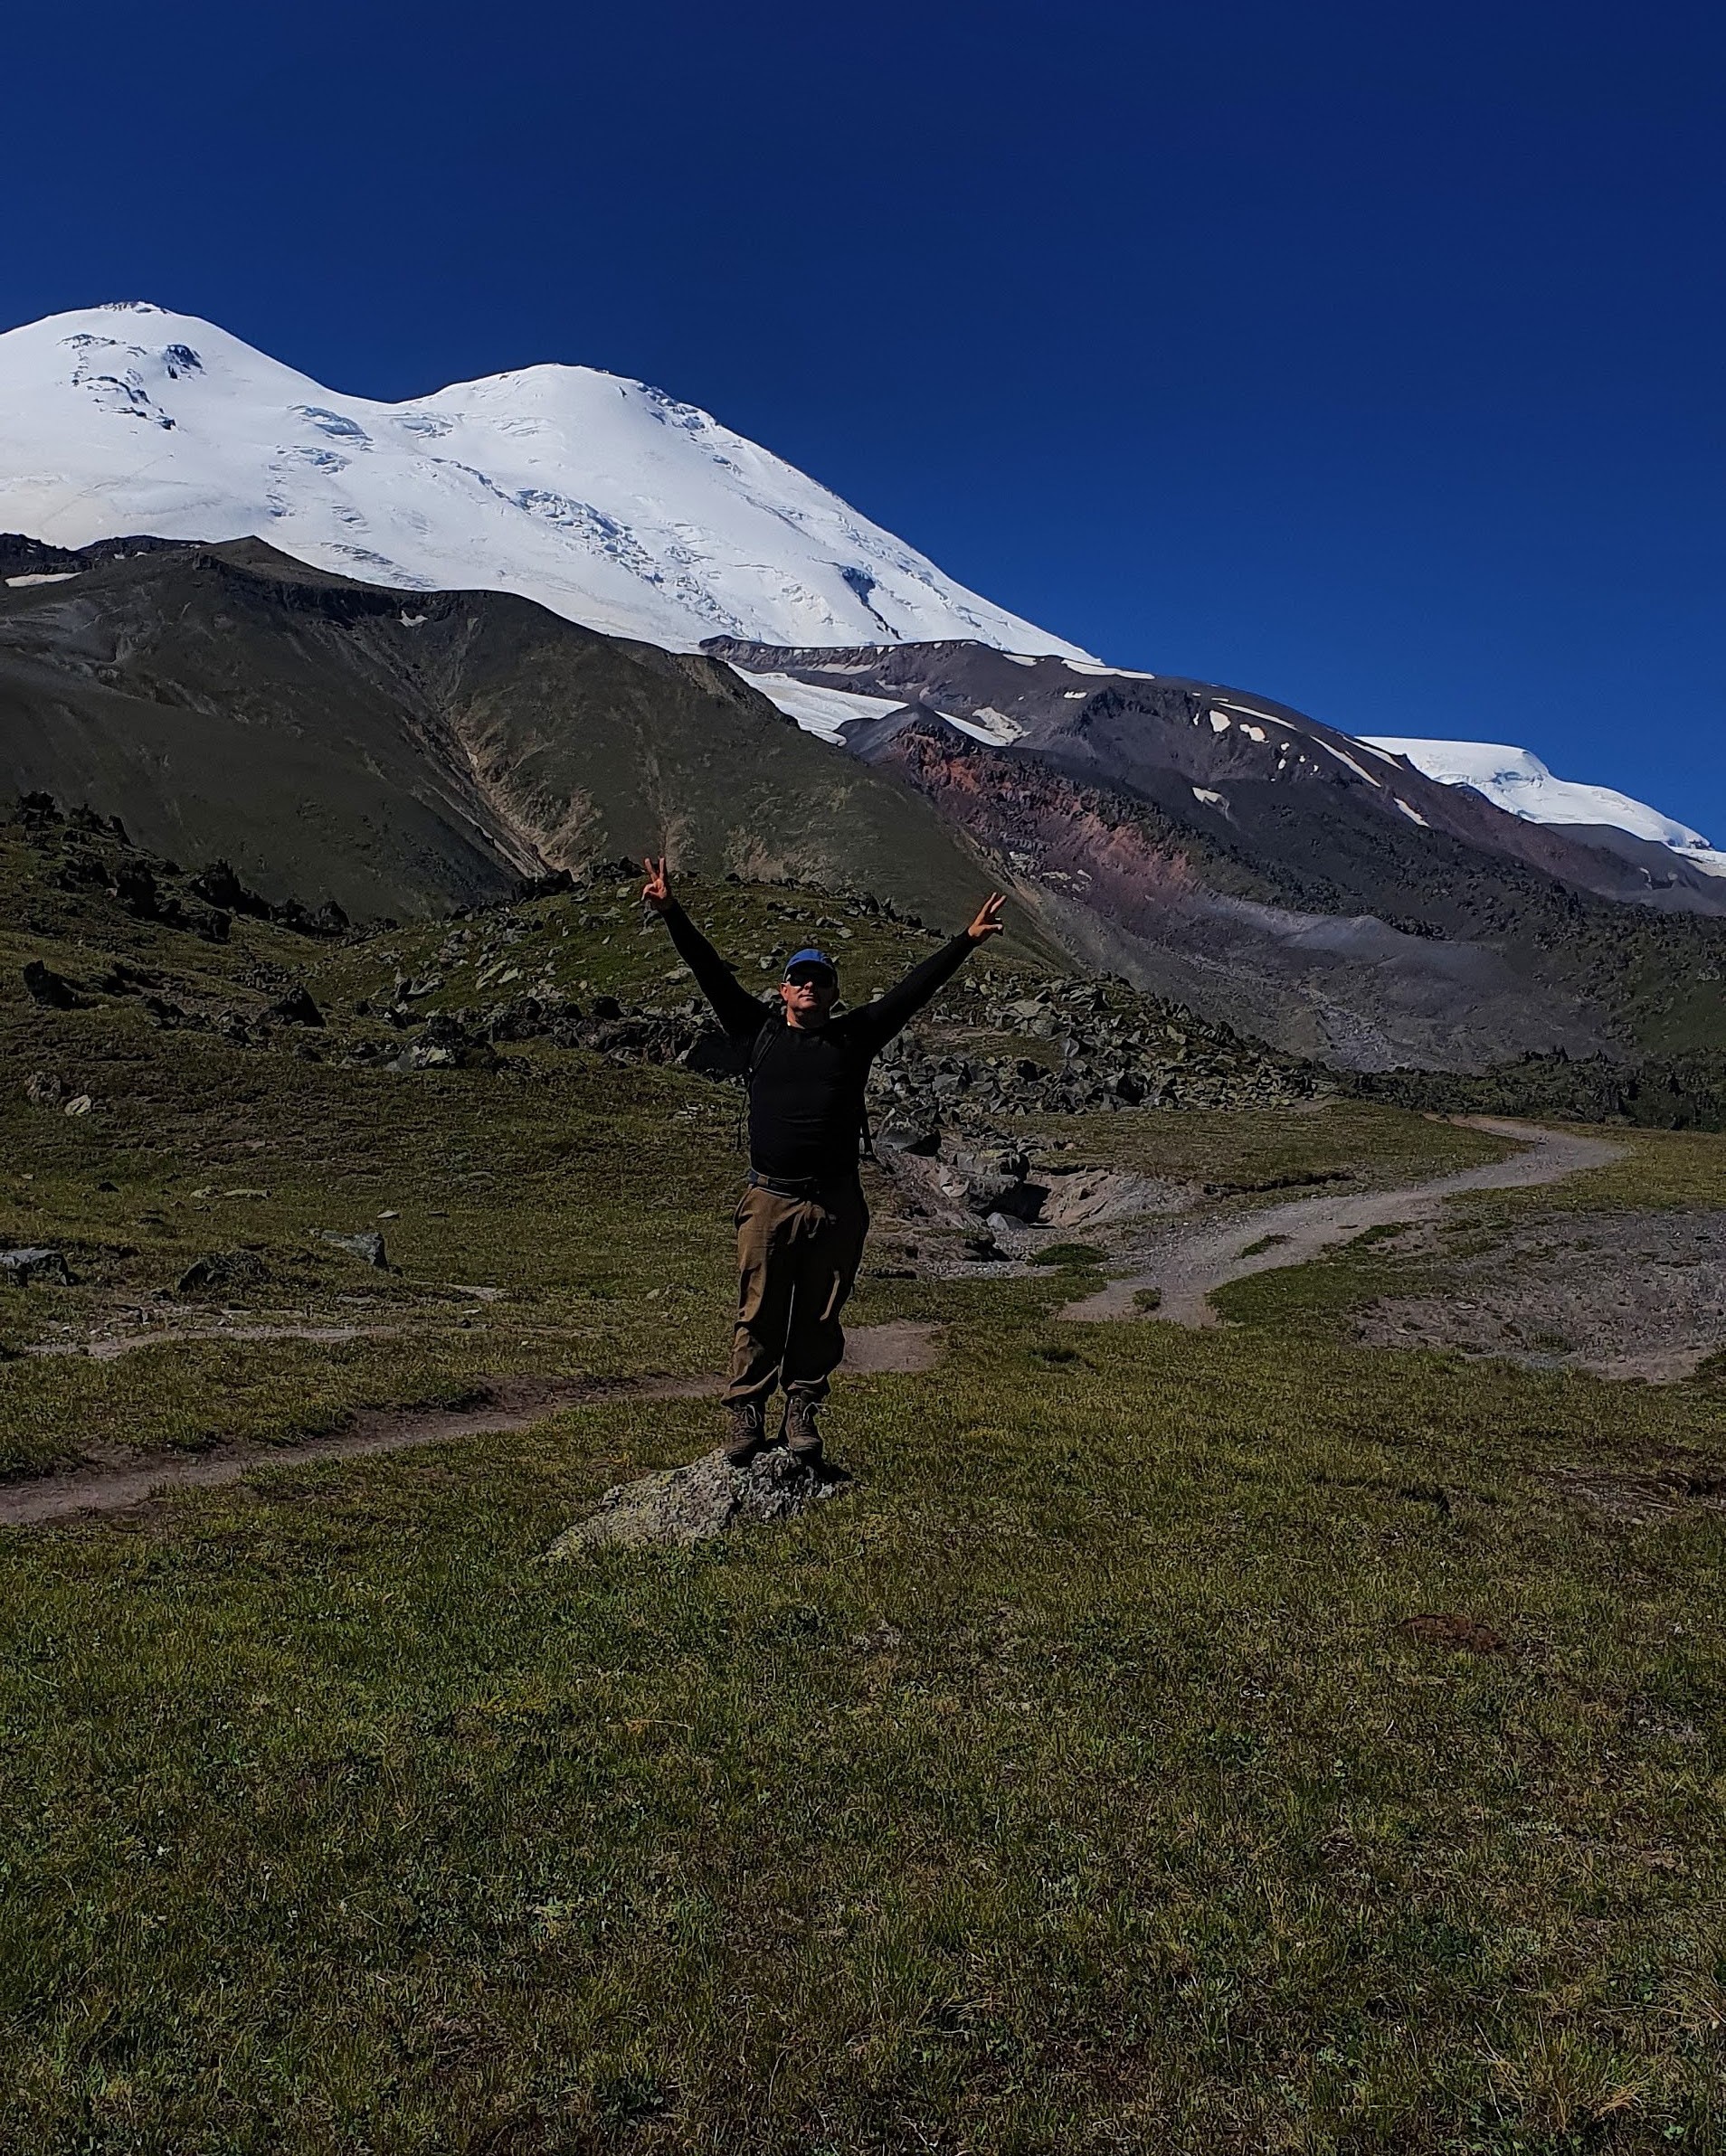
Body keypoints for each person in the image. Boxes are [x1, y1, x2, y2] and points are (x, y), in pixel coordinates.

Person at [641, 857, 1004, 1469]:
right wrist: (672, 912)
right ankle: (746, 1410)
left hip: (836, 1203)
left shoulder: (853, 1038)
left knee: (819, 1313)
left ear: (834, 993)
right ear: (784, 991)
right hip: (769, 1199)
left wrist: (965, 942)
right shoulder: (756, 1032)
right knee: (758, 1310)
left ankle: (802, 1408)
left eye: (820, 980)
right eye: (799, 979)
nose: (809, 986)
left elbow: (912, 992)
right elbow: (709, 972)